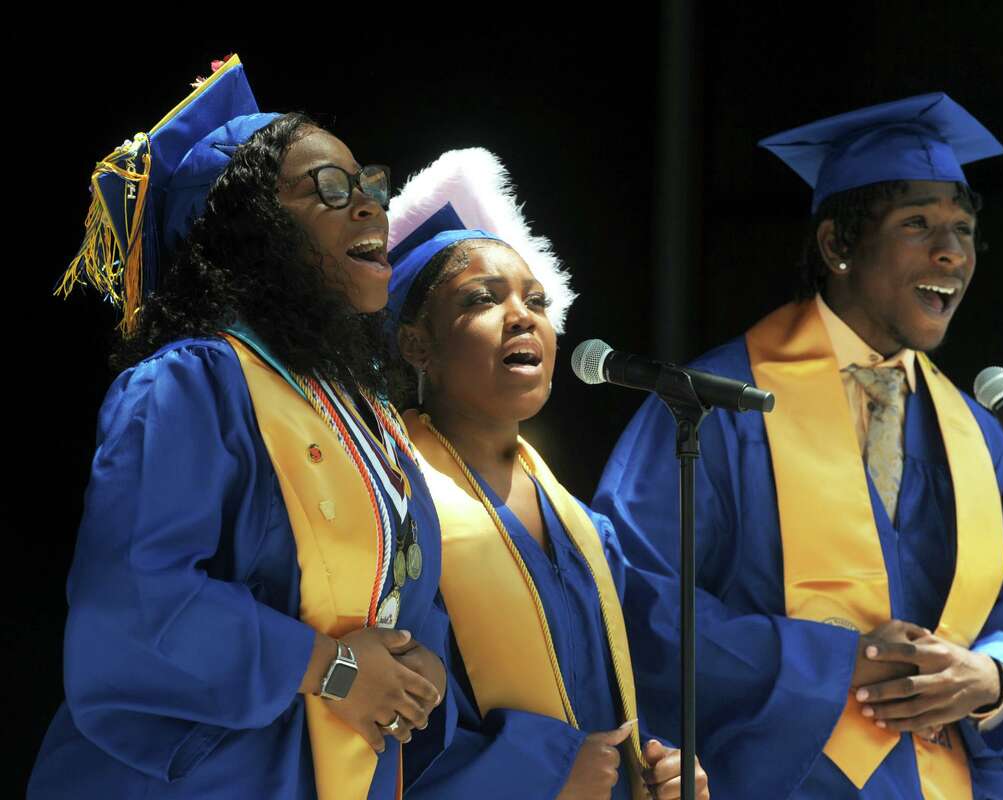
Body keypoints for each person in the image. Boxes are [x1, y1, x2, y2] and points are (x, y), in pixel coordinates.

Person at [593, 93, 1003, 798]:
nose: (951, 251)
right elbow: (636, 604)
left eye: (961, 228)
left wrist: (990, 683)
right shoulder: (713, 405)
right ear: (837, 245)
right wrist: (837, 660)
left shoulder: (984, 436)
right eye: (917, 224)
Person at [29, 56, 449, 799]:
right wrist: (337, 669)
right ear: (247, 231)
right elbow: (139, 601)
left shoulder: (369, 415)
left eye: (368, 184)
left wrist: (425, 668)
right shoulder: (190, 386)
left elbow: (398, 596)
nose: (369, 206)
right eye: (327, 188)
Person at [383, 148, 709, 799]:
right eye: (483, 298)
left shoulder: (584, 528)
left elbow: (623, 702)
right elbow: (382, 724)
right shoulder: (392, 507)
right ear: (418, 345)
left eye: (536, 299)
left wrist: (662, 770)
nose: (523, 314)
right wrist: (536, 771)